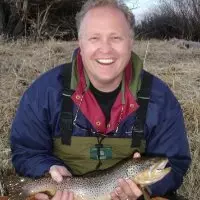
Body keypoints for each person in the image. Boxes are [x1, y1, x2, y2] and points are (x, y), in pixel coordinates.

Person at [10, 0, 191, 200]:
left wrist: (145, 191)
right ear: (80, 42)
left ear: (131, 42)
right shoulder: (44, 92)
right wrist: (46, 169)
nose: (105, 49)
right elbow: (26, 150)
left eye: (116, 37)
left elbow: (174, 163)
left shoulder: (160, 98)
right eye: (94, 38)